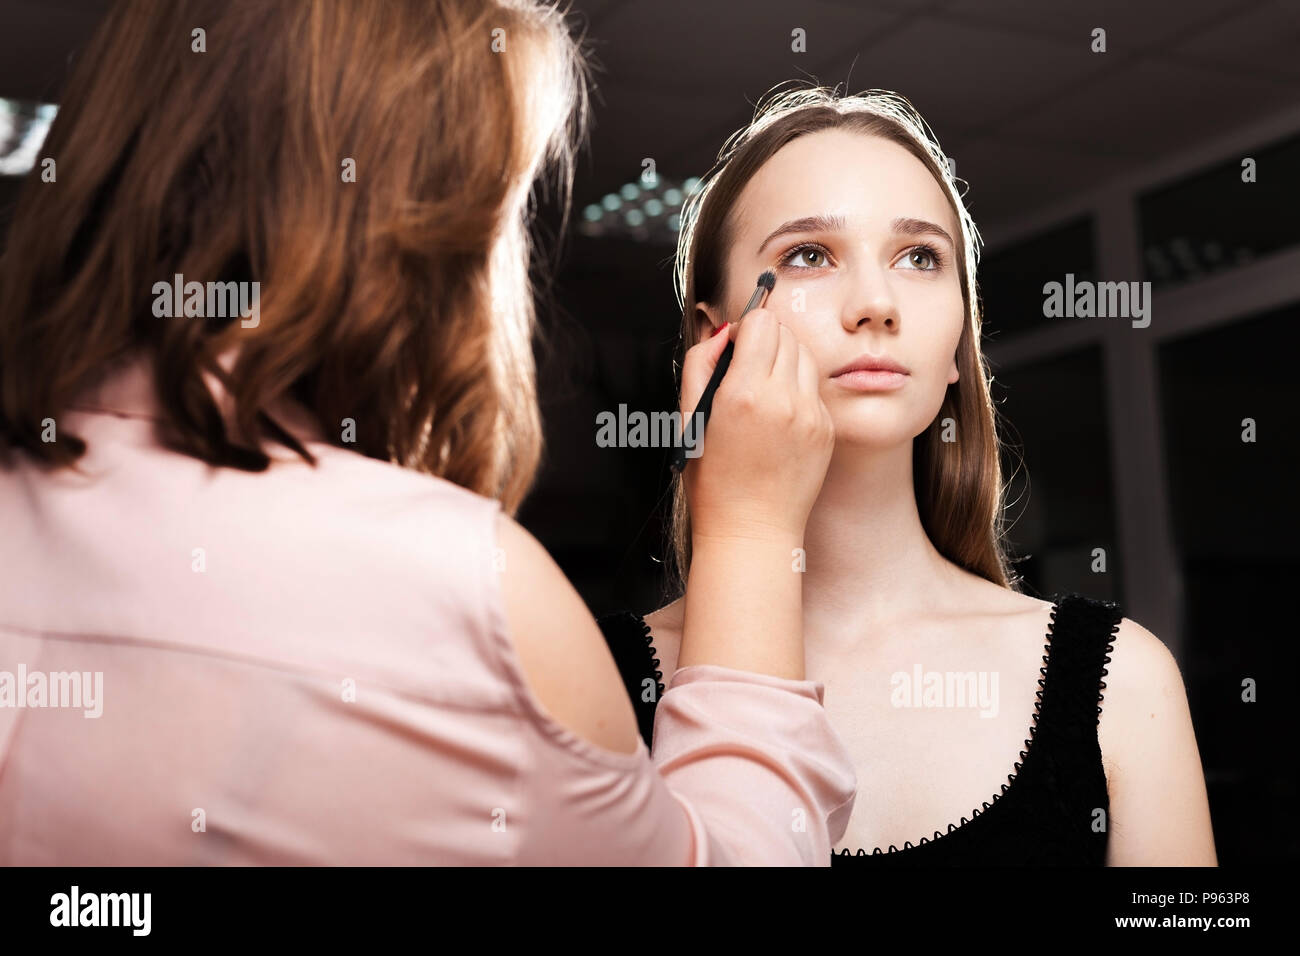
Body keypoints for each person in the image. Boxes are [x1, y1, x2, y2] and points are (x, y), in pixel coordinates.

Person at [0, 1, 855, 865]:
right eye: (501, 212)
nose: (873, 308)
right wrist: (751, 530)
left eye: (921, 257)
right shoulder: (471, 599)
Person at [599, 85, 1217, 865]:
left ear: (961, 338)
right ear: (713, 339)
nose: (876, 303)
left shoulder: (1125, 681)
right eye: (809, 255)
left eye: (920, 257)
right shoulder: (590, 690)